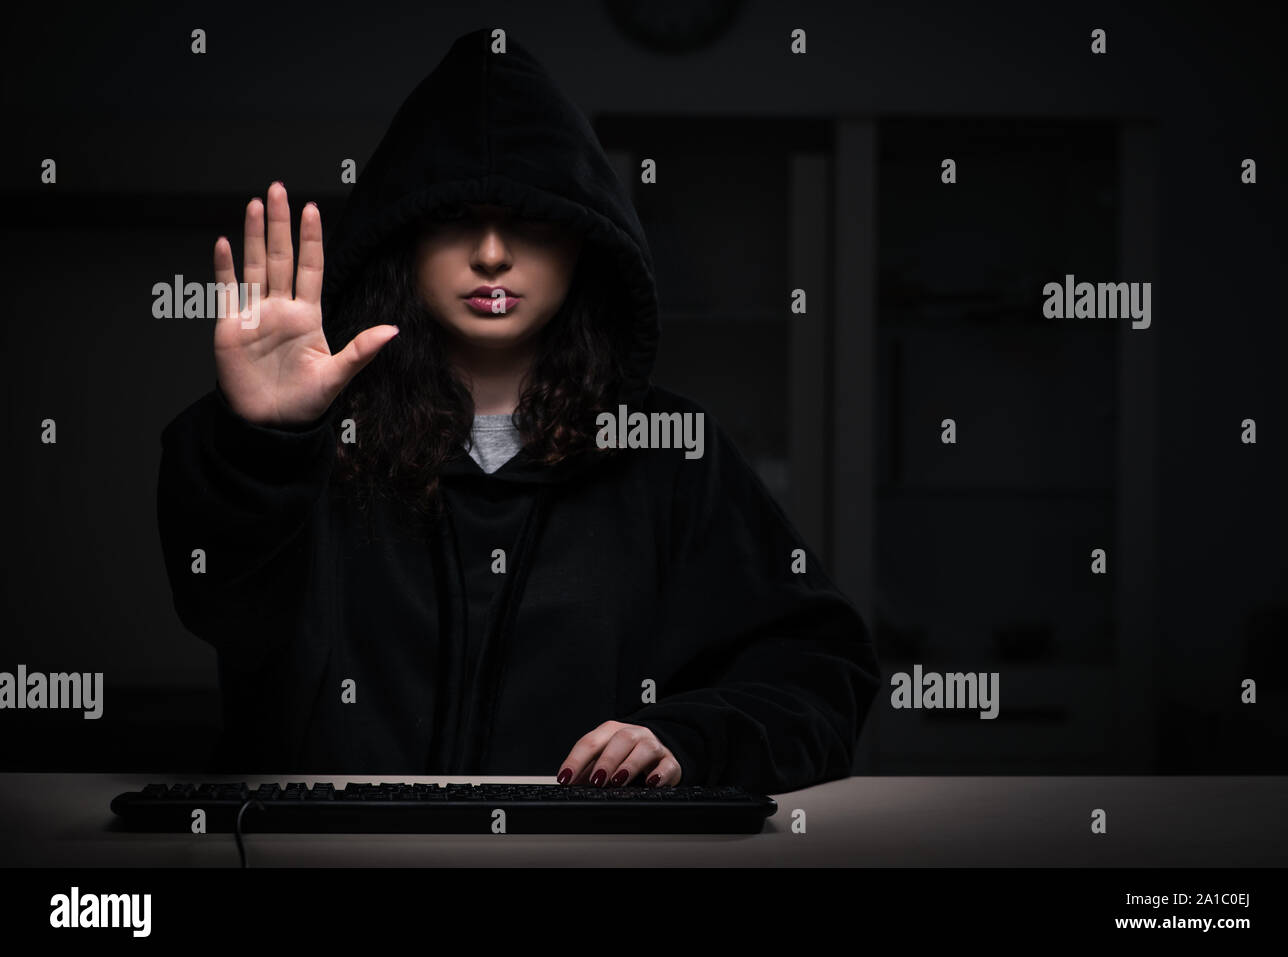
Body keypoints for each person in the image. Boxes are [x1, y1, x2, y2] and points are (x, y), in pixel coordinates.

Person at [157, 27, 879, 794]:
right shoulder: (322, 440)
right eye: (458, 217)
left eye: (530, 220)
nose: (493, 252)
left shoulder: (671, 454)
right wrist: (267, 441)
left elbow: (820, 674)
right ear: (406, 237)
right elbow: (221, 607)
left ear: (583, 244)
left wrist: (686, 736)